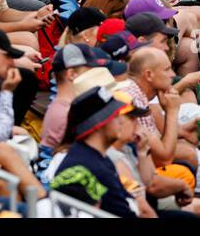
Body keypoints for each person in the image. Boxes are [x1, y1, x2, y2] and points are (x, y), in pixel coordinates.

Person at [48, 86, 141, 217]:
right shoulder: (91, 166)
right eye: (114, 115)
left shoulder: (95, 156)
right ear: (98, 123)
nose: (121, 121)